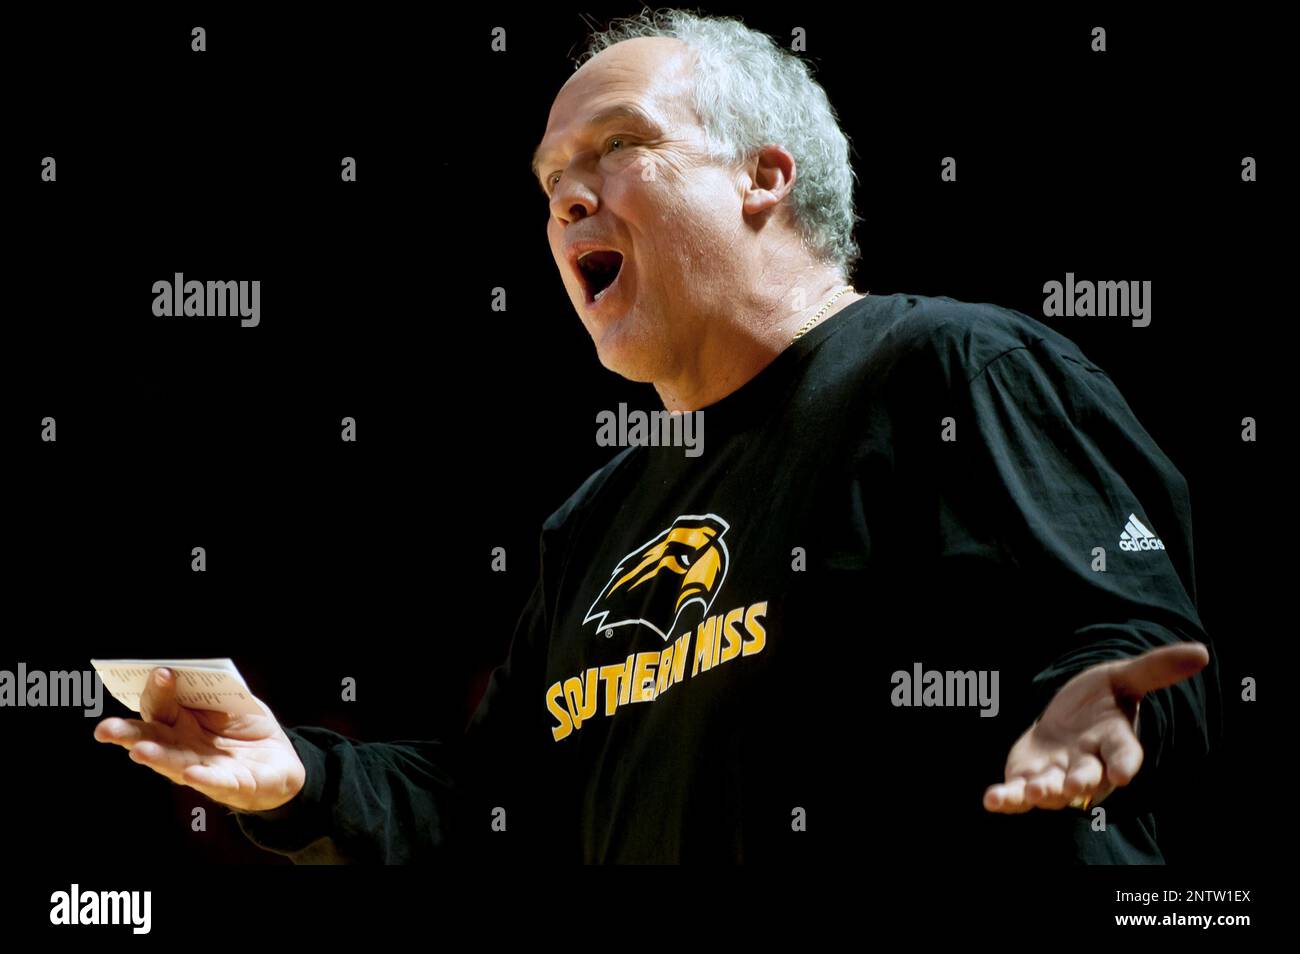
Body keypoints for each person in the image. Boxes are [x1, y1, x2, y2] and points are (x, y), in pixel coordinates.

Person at [93, 9, 1218, 864]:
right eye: (549, 185)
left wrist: (1107, 701)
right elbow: (499, 806)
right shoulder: (596, 520)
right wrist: (302, 781)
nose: (568, 201)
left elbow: (1127, 624)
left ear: (764, 176)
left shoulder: (953, 368)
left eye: (614, 149)